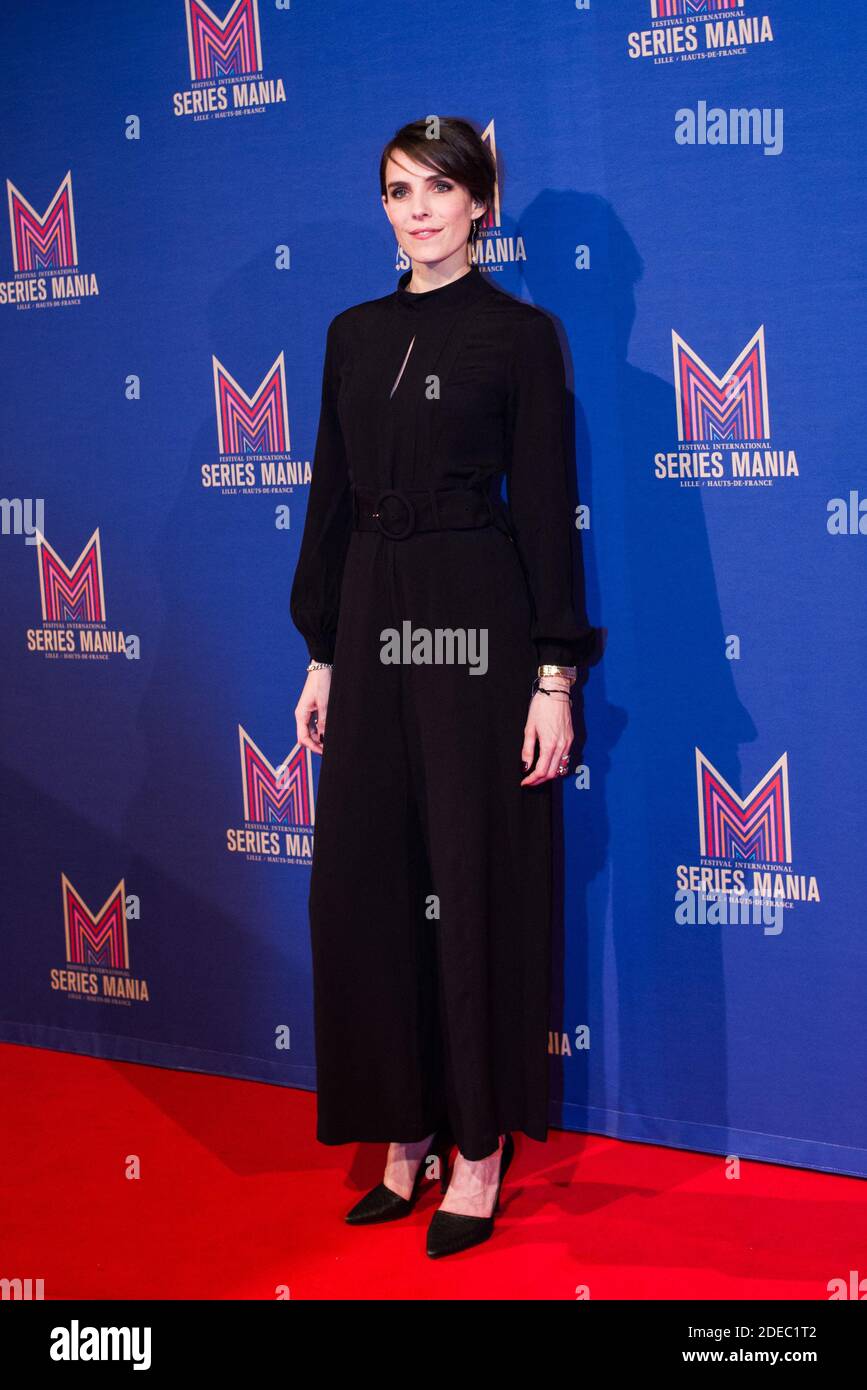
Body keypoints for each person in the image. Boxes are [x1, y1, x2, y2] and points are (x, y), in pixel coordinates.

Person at [290, 116, 595, 1258]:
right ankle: (403, 1124)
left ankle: (477, 1144)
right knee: (370, 881)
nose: (417, 209)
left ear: (481, 204)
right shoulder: (351, 334)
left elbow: (548, 514)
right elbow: (328, 499)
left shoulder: (520, 336)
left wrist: (553, 676)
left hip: (476, 620)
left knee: (469, 879)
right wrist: (322, 654)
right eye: (397, 190)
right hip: (371, 619)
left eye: (438, 188)